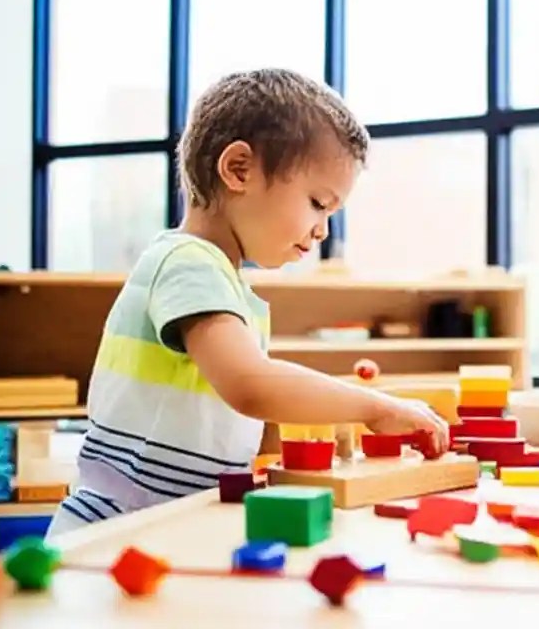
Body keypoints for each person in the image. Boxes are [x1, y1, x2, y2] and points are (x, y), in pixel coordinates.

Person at [47, 69, 448, 536]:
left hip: (166, 528)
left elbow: (226, 413)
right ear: (239, 169)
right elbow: (251, 386)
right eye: (318, 203)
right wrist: (375, 407)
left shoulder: (220, 281)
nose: (323, 231)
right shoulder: (187, 263)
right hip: (119, 532)